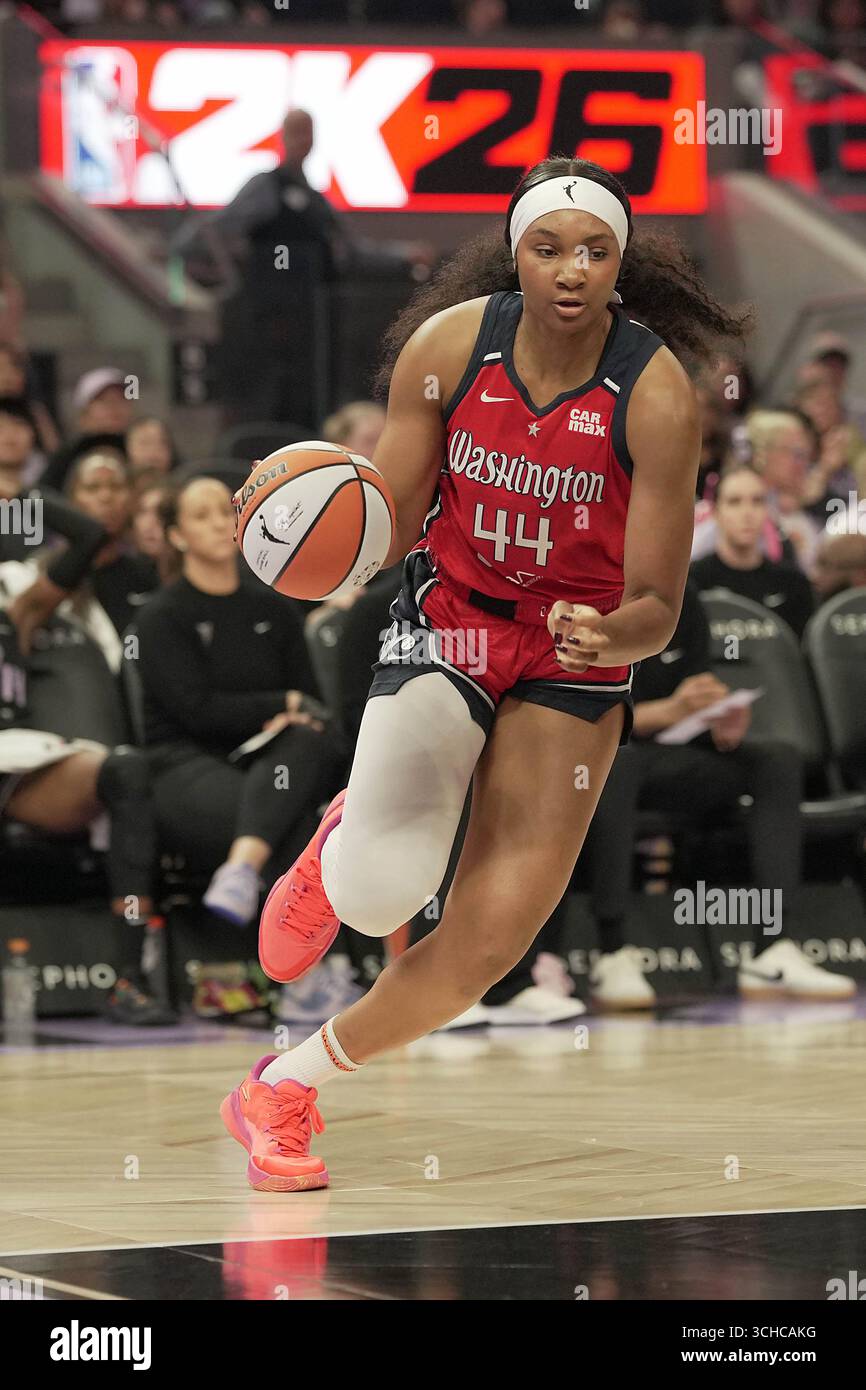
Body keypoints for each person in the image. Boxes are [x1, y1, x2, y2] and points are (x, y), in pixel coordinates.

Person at [219, 155, 753, 1193]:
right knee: (384, 891)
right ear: (512, 255)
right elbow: (388, 523)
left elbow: (656, 603)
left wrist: (613, 636)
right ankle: (341, 847)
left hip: (571, 652)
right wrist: (293, 521)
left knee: (487, 942)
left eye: (593, 250)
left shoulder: (654, 395)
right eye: (547, 248)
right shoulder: (448, 347)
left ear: (619, 262)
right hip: (454, 620)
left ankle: (281, 1087)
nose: (570, 269)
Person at [136, 476, 347, 926]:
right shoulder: (160, 617)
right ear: (176, 536)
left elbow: (310, 703)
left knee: (306, 744)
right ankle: (309, 978)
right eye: (201, 515)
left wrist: (287, 711)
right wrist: (278, 704)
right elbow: (195, 711)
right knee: (290, 818)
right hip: (186, 762)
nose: (218, 524)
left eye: (224, 512)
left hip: (272, 758)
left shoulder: (275, 609)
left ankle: (241, 870)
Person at [0, 495, 168, 1025]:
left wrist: (18, 498)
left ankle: (126, 977)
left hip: (15, 761)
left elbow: (91, 535)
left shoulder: (20, 610)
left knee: (126, 769)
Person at [690, 461, 815, 638]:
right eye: (734, 502)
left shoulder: (793, 585)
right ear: (716, 512)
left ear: (767, 510)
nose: (747, 513)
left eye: (757, 501)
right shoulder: (693, 583)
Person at [41, 368, 132, 492]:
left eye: (122, 399)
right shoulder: (66, 457)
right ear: (83, 412)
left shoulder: (139, 452)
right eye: (103, 400)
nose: (114, 406)